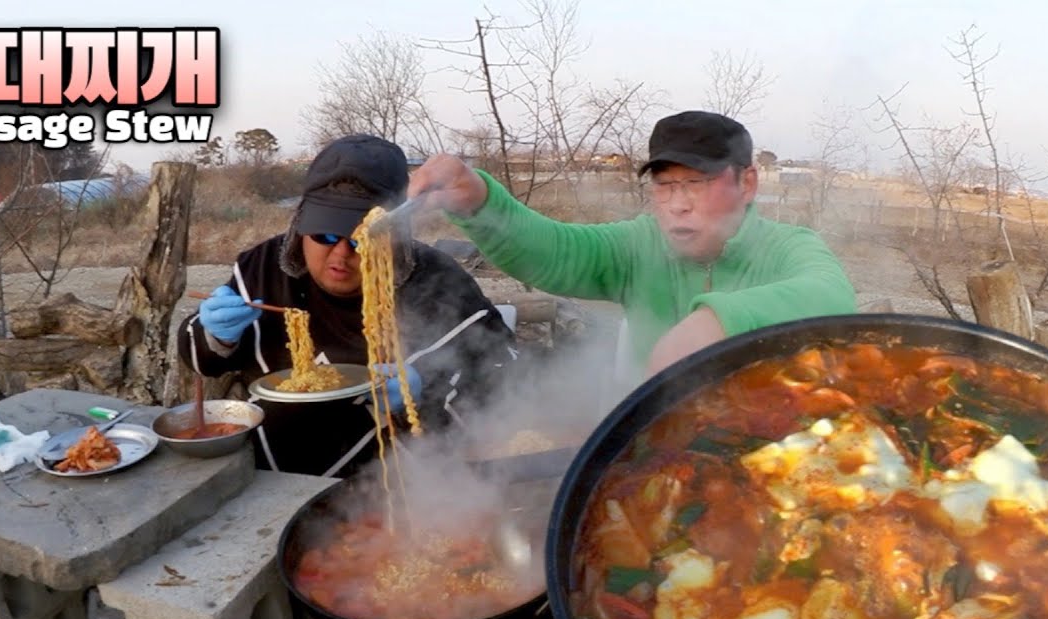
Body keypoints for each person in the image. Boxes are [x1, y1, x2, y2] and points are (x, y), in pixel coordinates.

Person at [408, 110, 857, 383]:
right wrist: (480, 202)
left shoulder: (787, 248)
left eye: (696, 184)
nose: (678, 205)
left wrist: (716, 321)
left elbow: (830, 294)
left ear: (748, 182)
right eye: (665, 186)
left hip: (766, 450)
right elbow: (555, 250)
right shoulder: (639, 246)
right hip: (658, 445)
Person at [178, 134, 517, 477]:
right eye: (325, 234)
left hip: (402, 489)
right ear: (300, 224)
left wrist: (425, 394)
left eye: (362, 240)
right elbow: (202, 361)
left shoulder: (440, 284)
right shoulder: (263, 268)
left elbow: (507, 378)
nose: (341, 253)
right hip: (269, 478)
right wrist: (216, 336)